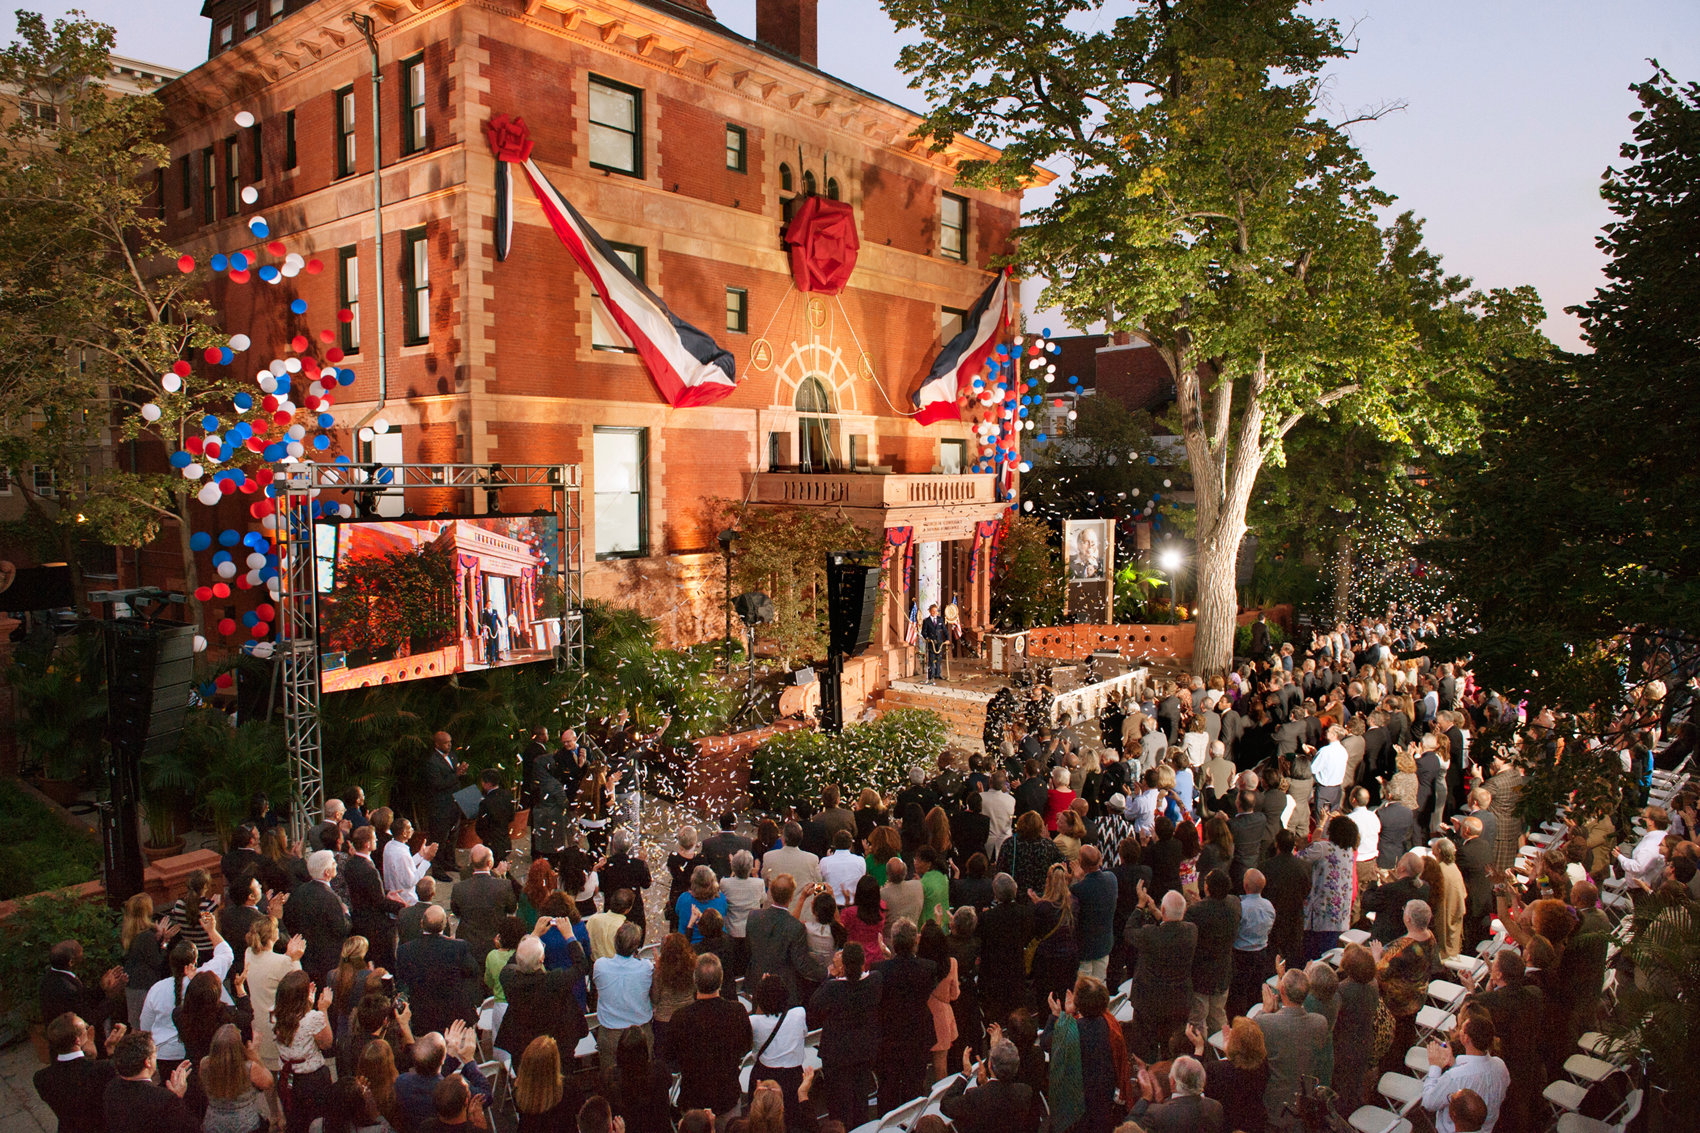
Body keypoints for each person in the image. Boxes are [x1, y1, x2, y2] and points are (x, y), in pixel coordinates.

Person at [808, 941, 883, 1129]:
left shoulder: (832, 988)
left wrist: (834, 973)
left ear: (844, 965)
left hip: (837, 1055)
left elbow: (814, 1004)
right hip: (863, 1051)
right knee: (860, 1102)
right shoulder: (874, 981)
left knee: (838, 1106)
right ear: (863, 962)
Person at [1124, 888, 1196, 1059]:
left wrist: (1140, 906)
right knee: (1170, 1045)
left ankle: (1146, 1069)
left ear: (1163, 910)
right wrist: (1156, 911)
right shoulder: (1191, 931)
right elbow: (1170, 927)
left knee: (1144, 1046)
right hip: (1178, 1001)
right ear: (1184, 910)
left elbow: (1129, 931)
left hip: (1148, 1001)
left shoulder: (1150, 934)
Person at [1254, 968, 1329, 1131]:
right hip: (1305, 1103)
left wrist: (1265, 1010)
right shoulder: (1320, 1022)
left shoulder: (1265, 1022)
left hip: (1275, 1106)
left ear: (1281, 990)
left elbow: (1249, 1033)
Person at [497, 932, 588, 1066]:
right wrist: (570, 936)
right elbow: (581, 966)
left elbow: (511, 963)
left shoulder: (509, 979)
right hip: (556, 1050)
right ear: (541, 959)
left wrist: (534, 935)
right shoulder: (554, 981)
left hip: (524, 1051)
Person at [395, 905, 479, 1037]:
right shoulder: (458, 947)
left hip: (422, 1017)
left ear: (421, 923)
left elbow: (402, 980)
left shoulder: (405, 950)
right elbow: (473, 971)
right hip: (453, 1018)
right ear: (445, 925)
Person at [34, 1010, 123, 1132]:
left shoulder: (41, 1078)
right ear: (77, 1041)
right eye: (86, 1028)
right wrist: (111, 1051)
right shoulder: (103, 1069)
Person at [1376, 900, 1440, 1066]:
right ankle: (1405, 1062)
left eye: (1405, 910)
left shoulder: (1400, 948)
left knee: (1394, 1043)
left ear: (1408, 919)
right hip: (1417, 997)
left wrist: (1377, 956)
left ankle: (1393, 1069)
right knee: (1407, 1035)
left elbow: (1380, 973)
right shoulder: (1430, 937)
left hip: (1397, 1002)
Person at [1420, 1015, 1510, 1133]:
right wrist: (1454, 1063)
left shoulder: (1455, 1076)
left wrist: (1435, 1067)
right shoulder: (1500, 1065)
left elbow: (1429, 1102)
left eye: (1461, 1029)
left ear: (1466, 1038)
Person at [274, 969, 336, 1133]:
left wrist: (307, 1004)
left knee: (295, 1122)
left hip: (287, 1077)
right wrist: (323, 1009)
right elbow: (326, 1043)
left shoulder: (274, 1014)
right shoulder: (312, 1018)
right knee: (317, 1122)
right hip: (312, 1081)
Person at [396, 1028, 492, 1133]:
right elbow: (486, 1095)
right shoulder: (452, 1092)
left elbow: (431, 1076)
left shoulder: (401, 1082)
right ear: (443, 1060)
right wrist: (469, 1060)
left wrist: (450, 1054)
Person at [41, 938, 126, 1051]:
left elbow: (83, 999)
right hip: (77, 1047)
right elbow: (90, 1019)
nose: (83, 954)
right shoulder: (67, 989)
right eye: (80, 952)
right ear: (71, 962)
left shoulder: (51, 978)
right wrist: (112, 996)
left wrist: (101, 988)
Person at [103, 1031, 196, 1133]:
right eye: (155, 1053)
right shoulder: (164, 1099)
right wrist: (177, 1098)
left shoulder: (111, 1088)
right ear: (148, 1062)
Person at [283, 850, 352, 985]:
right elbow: (341, 928)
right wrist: (346, 914)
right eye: (334, 864)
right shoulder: (330, 897)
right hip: (328, 960)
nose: (336, 866)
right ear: (327, 872)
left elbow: (289, 919)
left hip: (305, 956)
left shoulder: (299, 891)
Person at [940, 1040, 1037, 1133]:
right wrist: (985, 1086)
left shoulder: (975, 1096)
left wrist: (965, 1074)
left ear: (989, 1065)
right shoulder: (1025, 1091)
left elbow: (946, 1105)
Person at [1186, 870, 1240, 1037]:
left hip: (1200, 973)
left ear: (1207, 887)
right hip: (1222, 971)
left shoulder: (1195, 912)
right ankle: (1224, 1047)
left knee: (1197, 1019)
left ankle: (1198, 1049)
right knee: (1218, 1016)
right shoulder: (1234, 907)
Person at [1297, 816, 1358, 961]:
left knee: (1312, 955)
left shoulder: (1323, 848)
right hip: (1340, 914)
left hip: (1321, 912)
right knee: (1329, 954)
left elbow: (1298, 858)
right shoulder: (1349, 851)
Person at [1332, 942, 1382, 1112]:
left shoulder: (1341, 991)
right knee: (1356, 1083)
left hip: (1344, 1044)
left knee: (1341, 1086)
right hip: (1365, 1039)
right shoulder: (1373, 983)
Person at [1198, 1017, 1271, 1133]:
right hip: (1255, 1125)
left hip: (1225, 1125)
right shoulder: (1263, 1067)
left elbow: (1198, 1083)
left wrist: (1198, 1050)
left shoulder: (1215, 1070)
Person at [200, 1022, 274, 1133]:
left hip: (213, 1124)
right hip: (246, 1125)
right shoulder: (249, 1067)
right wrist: (255, 1056)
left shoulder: (205, 1064)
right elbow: (268, 1082)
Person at [451, 845, 519, 966]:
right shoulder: (504, 886)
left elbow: (456, 911)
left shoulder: (459, 888)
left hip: (468, 943)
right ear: (489, 863)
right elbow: (512, 908)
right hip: (495, 942)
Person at [1228, 868, 1277, 1020]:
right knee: (1255, 991)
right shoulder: (1269, 906)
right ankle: (1255, 1019)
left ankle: (1238, 1021)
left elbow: (1236, 930)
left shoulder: (1242, 907)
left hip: (1241, 954)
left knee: (1238, 992)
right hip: (1261, 952)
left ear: (1245, 885)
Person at [1133, 1054, 1224, 1133]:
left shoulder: (1156, 1113)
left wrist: (1145, 1098)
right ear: (1203, 1081)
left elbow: (1128, 1127)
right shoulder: (1215, 1107)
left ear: (1172, 1082)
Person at [423, 733, 468, 881]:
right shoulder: (432, 762)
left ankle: (450, 863)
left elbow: (455, 776)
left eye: (450, 742)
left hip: (454, 804)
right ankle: (438, 869)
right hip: (440, 807)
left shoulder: (453, 756)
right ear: (437, 744)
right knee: (439, 839)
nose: (449, 745)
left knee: (453, 836)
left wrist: (461, 772)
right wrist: (457, 774)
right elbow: (438, 784)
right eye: (445, 743)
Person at [1072, 845, 1117, 982]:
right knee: (1100, 982)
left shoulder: (1078, 889)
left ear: (1080, 863)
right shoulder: (1111, 879)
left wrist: (1079, 879)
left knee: (1084, 985)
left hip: (1085, 947)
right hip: (1104, 943)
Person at [922, 603, 947, 681]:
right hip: (931, 642)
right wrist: (927, 638)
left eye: (936, 611)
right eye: (933, 611)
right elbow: (923, 632)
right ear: (930, 611)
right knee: (931, 658)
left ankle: (938, 674)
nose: (934, 612)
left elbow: (945, 630)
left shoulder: (940, 619)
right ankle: (931, 675)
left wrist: (947, 639)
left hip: (939, 642)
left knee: (939, 658)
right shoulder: (926, 621)